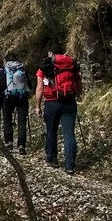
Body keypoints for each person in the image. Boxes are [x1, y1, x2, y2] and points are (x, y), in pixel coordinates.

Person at [35, 46, 82, 174]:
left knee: (51, 131)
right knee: (69, 132)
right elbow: (78, 82)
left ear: (51, 53)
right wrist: (77, 94)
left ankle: (52, 158)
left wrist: (37, 106)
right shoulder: (71, 64)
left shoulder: (45, 66)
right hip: (69, 101)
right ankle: (70, 165)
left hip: (51, 102)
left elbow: (39, 88)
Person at [2, 53, 30, 154]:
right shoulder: (22, 67)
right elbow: (29, 84)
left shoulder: (5, 68)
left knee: (7, 119)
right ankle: (21, 144)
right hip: (22, 96)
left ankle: (9, 142)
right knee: (22, 120)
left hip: (8, 96)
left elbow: (2, 83)